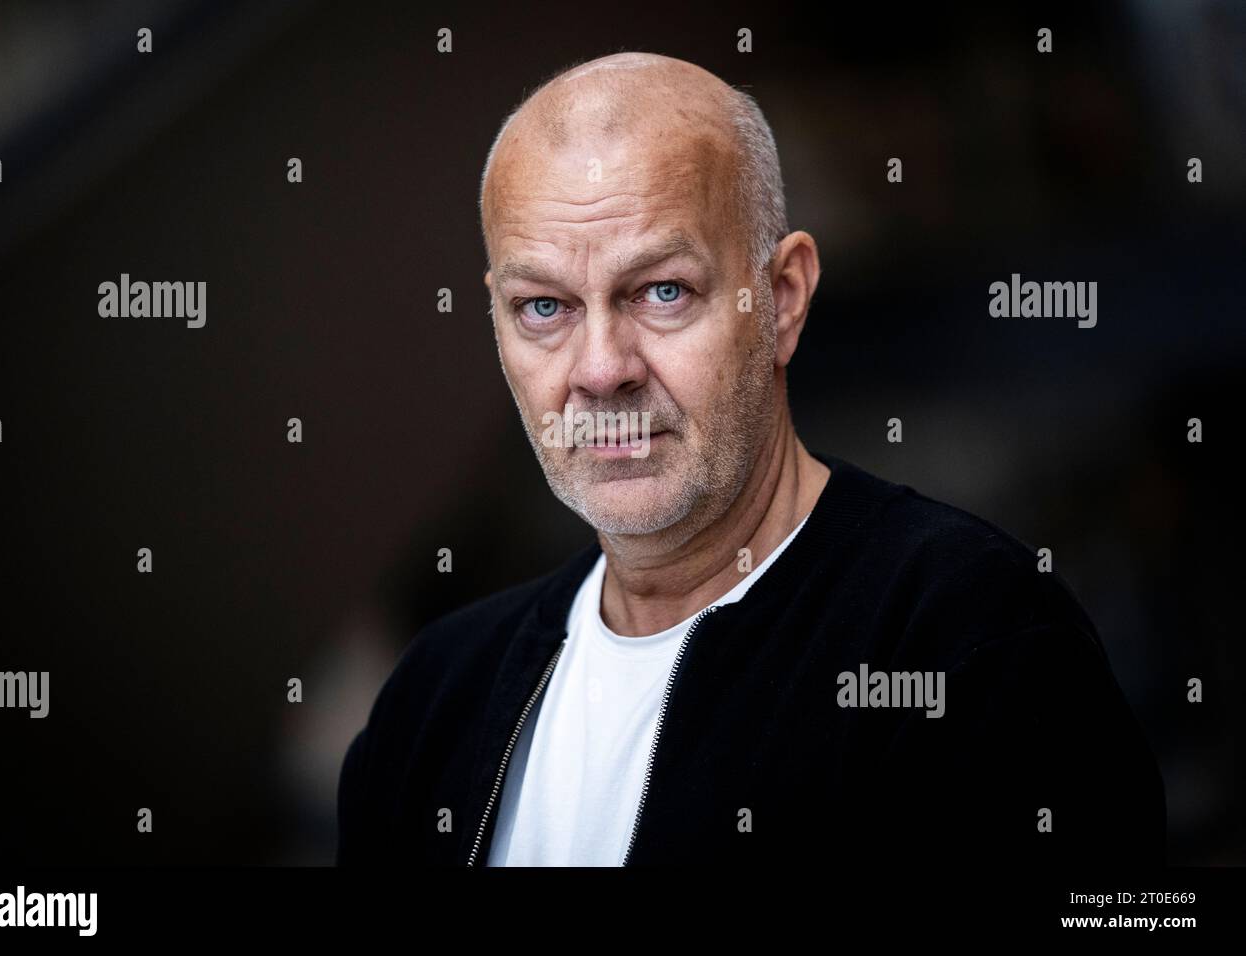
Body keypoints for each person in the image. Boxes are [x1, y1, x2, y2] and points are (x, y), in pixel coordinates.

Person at [337, 52, 1165, 867]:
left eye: (662, 291)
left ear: (783, 298)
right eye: (544, 307)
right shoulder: (435, 702)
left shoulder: (968, 641)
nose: (600, 368)